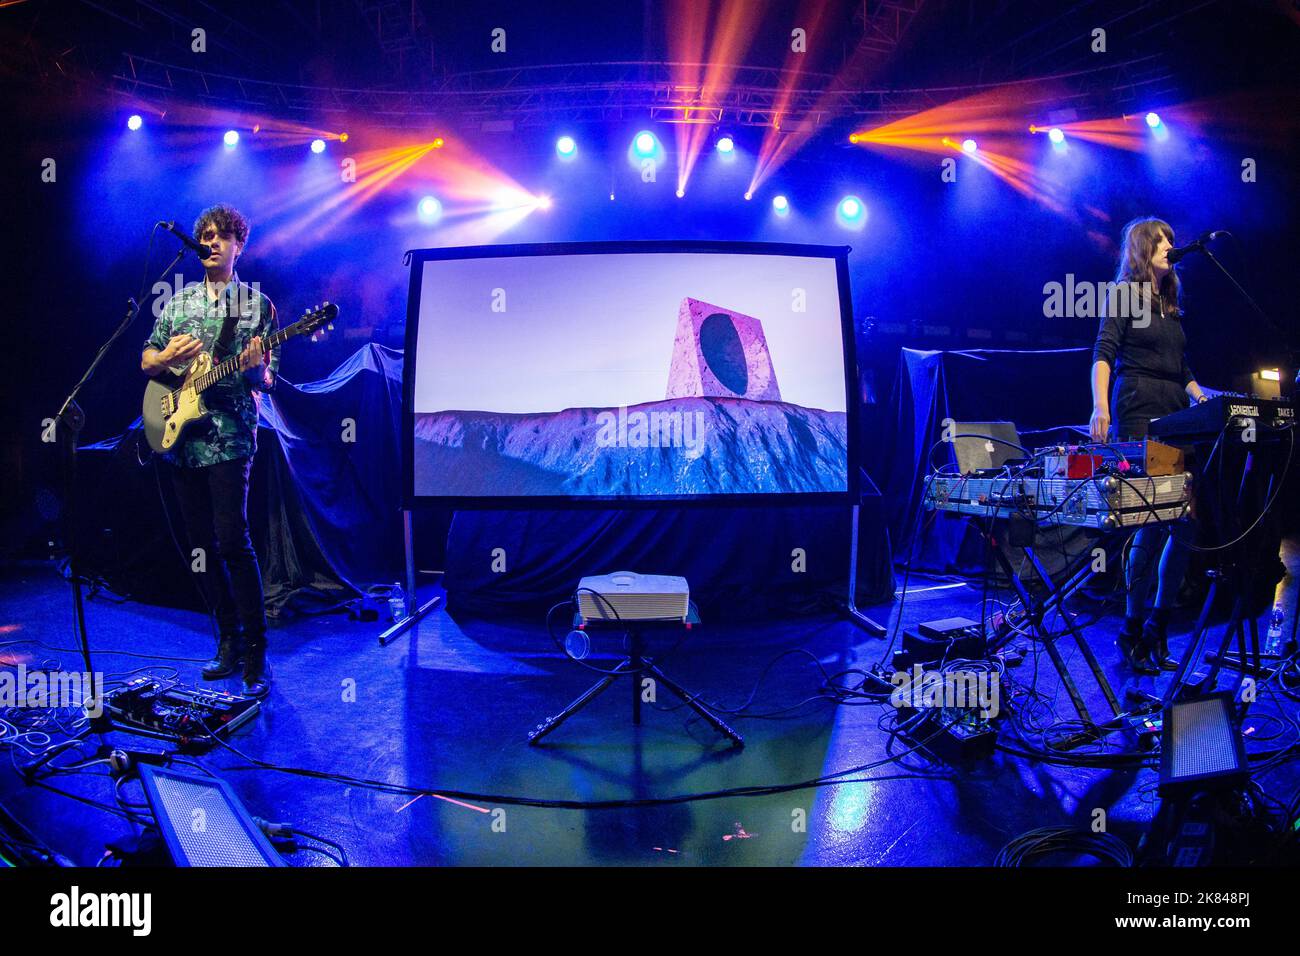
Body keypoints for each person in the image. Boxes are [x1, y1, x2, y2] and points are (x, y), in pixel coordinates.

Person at [141, 204, 278, 697]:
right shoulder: (177, 304)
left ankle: (257, 648)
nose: (212, 241)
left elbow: (268, 379)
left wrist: (252, 369)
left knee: (231, 540)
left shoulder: (254, 305)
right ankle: (228, 640)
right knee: (200, 545)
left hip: (229, 437)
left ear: (239, 244)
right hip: (183, 442)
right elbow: (146, 359)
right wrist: (163, 357)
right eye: (205, 235)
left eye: (222, 236)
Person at [1090, 217, 1207, 674]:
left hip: (1177, 413)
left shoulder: (1171, 303)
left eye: (1172, 240)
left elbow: (1183, 366)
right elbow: (1103, 353)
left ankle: (1158, 623)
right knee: (1152, 522)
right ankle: (1133, 627)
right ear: (1142, 247)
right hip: (1138, 408)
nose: (1169, 246)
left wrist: (1204, 397)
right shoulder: (1124, 294)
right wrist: (1100, 407)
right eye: (1160, 240)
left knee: (1185, 522)